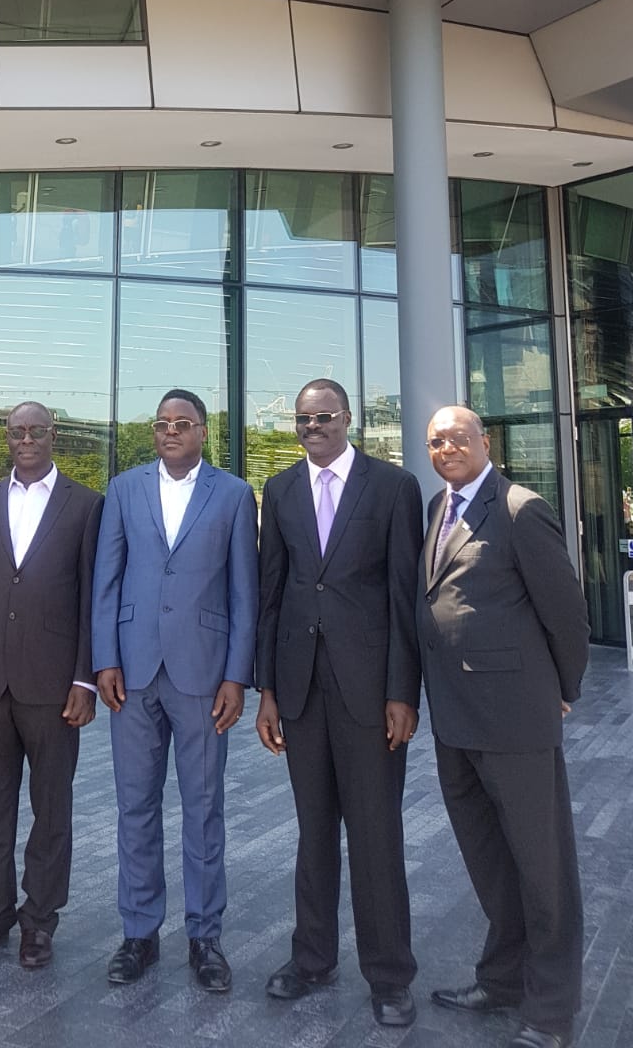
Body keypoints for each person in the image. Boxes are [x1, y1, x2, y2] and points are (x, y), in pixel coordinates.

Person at [255, 379, 423, 1029]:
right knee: (314, 831)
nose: (313, 426)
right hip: (299, 691)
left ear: (347, 418)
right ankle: (312, 957)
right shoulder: (280, 490)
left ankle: (389, 975)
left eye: (324, 416)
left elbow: (406, 596)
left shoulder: (392, 488)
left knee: (376, 835)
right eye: (303, 418)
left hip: (369, 691)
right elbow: (272, 594)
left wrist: (402, 691)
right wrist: (266, 690)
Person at [420, 407, 590, 1048]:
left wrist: (562, 691)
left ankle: (549, 1011)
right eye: (436, 441)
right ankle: (503, 979)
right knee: (490, 863)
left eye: (458, 437)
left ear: (484, 442)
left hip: (516, 722)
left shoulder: (519, 508)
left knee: (544, 872)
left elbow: (567, 614)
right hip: (457, 723)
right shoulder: (435, 510)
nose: (447, 447)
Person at [91, 388, 258, 993]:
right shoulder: (125, 488)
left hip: (204, 675)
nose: (169, 431)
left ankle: (205, 937)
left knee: (203, 809)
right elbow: (105, 580)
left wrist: (237, 676)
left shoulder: (235, 495)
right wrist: (103, 658)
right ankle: (139, 933)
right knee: (135, 807)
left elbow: (245, 591)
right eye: (161, 423)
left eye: (182, 423)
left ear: (203, 432)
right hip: (132, 675)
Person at [0, 401, 103, 969]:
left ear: (53, 435)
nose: (27, 439)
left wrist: (85, 677)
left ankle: (40, 921)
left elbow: (92, 599)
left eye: (37, 430)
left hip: (56, 685)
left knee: (51, 810)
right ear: (6, 439)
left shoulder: (87, 505)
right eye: (17, 432)